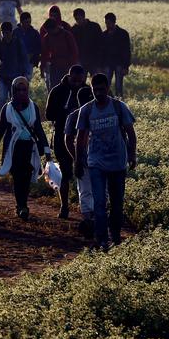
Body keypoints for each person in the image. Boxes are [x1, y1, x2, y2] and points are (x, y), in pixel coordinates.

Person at [74, 73, 137, 250]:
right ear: (92, 89)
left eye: (102, 89)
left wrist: (132, 155)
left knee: (117, 203)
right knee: (99, 203)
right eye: (96, 90)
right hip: (96, 163)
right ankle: (102, 239)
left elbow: (131, 133)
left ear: (108, 88)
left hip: (118, 162)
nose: (99, 93)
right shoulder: (86, 110)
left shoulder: (119, 107)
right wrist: (78, 161)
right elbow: (81, 138)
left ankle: (115, 235)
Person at [0, 77, 51, 221]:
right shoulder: (7, 108)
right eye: (18, 90)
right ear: (13, 91)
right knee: (17, 176)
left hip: (29, 148)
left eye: (24, 90)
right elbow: (0, 130)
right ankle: (21, 205)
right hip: (13, 149)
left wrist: (47, 151)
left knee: (26, 176)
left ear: (27, 90)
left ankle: (23, 204)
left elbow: (39, 129)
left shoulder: (33, 108)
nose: (21, 92)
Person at [46, 65, 87, 219]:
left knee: (84, 174)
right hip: (61, 137)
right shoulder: (57, 91)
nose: (76, 83)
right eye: (74, 80)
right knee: (65, 172)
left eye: (79, 81)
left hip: (84, 138)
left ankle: (86, 208)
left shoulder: (87, 92)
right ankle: (64, 206)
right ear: (69, 76)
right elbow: (49, 114)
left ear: (83, 78)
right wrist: (65, 113)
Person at [65, 86, 97, 238]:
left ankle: (89, 220)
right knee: (95, 192)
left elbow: (68, 141)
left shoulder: (74, 115)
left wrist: (76, 158)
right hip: (91, 160)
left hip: (88, 160)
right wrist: (77, 159)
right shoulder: (81, 115)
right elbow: (68, 140)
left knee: (85, 191)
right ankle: (92, 221)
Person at [0, 21, 29, 106]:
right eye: (3, 33)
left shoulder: (18, 43)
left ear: (11, 32)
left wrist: (25, 74)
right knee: (1, 100)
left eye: (7, 33)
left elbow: (24, 59)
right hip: (4, 77)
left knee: (17, 101)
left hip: (16, 78)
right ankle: (1, 114)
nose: (5, 35)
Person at [40, 18, 79, 91]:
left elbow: (74, 52)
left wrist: (72, 67)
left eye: (49, 31)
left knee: (68, 89)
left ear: (55, 28)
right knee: (54, 89)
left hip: (67, 67)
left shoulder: (67, 35)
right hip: (54, 67)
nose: (48, 33)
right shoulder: (47, 37)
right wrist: (42, 68)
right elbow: (44, 54)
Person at [102, 12, 132, 98]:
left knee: (118, 87)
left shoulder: (123, 34)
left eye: (108, 23)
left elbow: (127, 51)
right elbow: (101, 51)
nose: (107, 25)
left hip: (119, 63)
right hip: (107, 63)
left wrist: (126, 66)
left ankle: (118, 101)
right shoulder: (104, 35)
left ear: (114, 22)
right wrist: (101, 65)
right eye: (106, 23)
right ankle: (107, 100)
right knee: (106, 86)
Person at [71, 8, 105, 77]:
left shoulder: (94, 27)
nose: (77, 21)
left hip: (94, 59)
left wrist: (100, 61)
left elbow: (101, 43)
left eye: (78, 18)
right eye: (76, 19)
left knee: (96, 80)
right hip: (81, 59)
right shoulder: (74, 29)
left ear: (83, 16)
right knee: (80, 81)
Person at [14, 11, 42, 81]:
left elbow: (39, 46)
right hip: (17, 61)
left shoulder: (34, 33)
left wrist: (34, 55)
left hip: (29, 61)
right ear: (21, 22)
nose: (28, 24)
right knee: (17, 80)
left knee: (26, 80)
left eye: (29, 22)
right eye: (26, 22)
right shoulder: (15, 32)